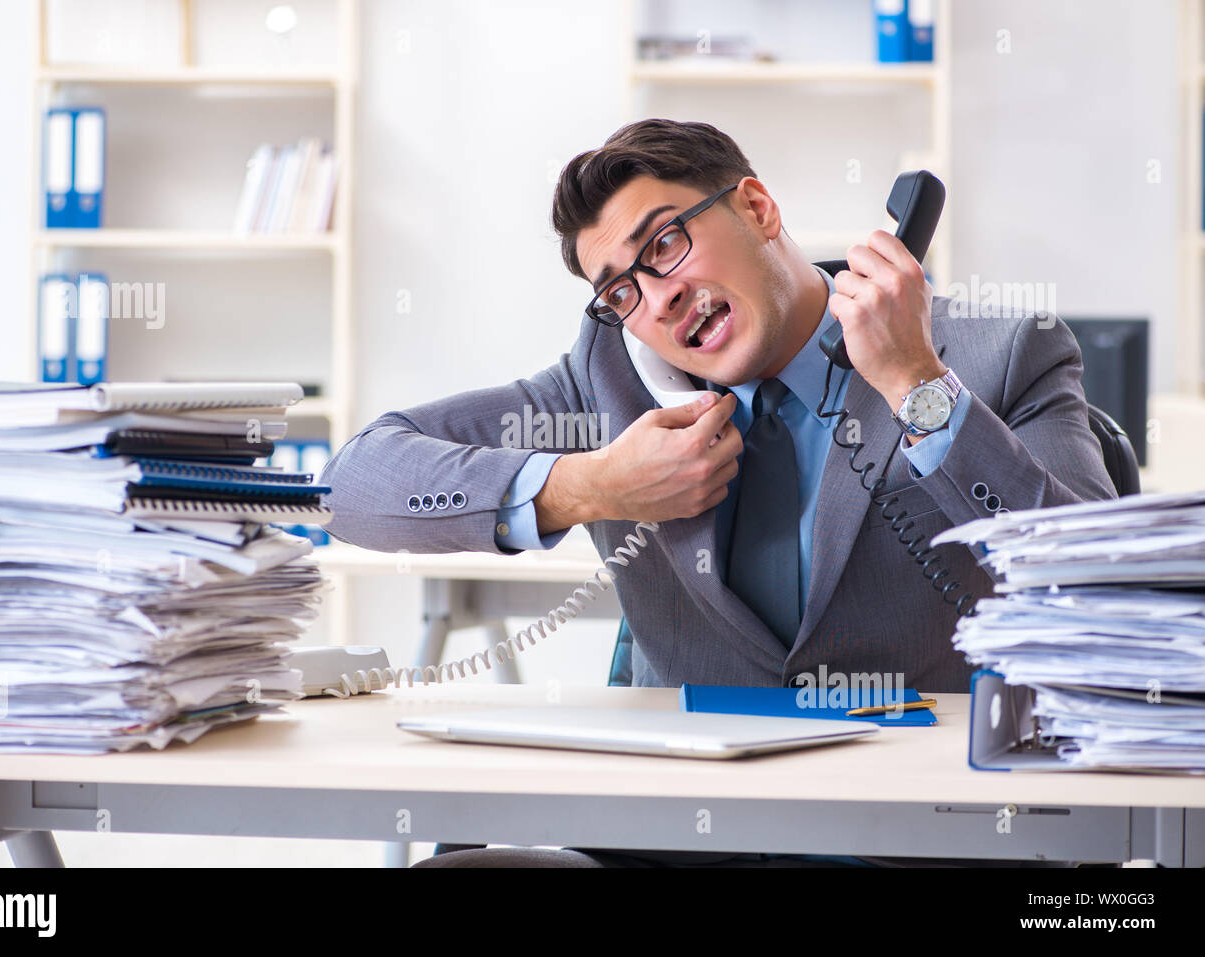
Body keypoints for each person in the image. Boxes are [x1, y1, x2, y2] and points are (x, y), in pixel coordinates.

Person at [321, 119, 1117, 867]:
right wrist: (588, 484)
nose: (656, 299)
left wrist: (916, 385)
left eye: (665, 243)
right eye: (622, 290)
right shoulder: (604, 388)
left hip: (912, 839)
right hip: (672, 842)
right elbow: (355, 479)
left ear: (758, 208)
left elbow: (1093, 591)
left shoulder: (997, 353)